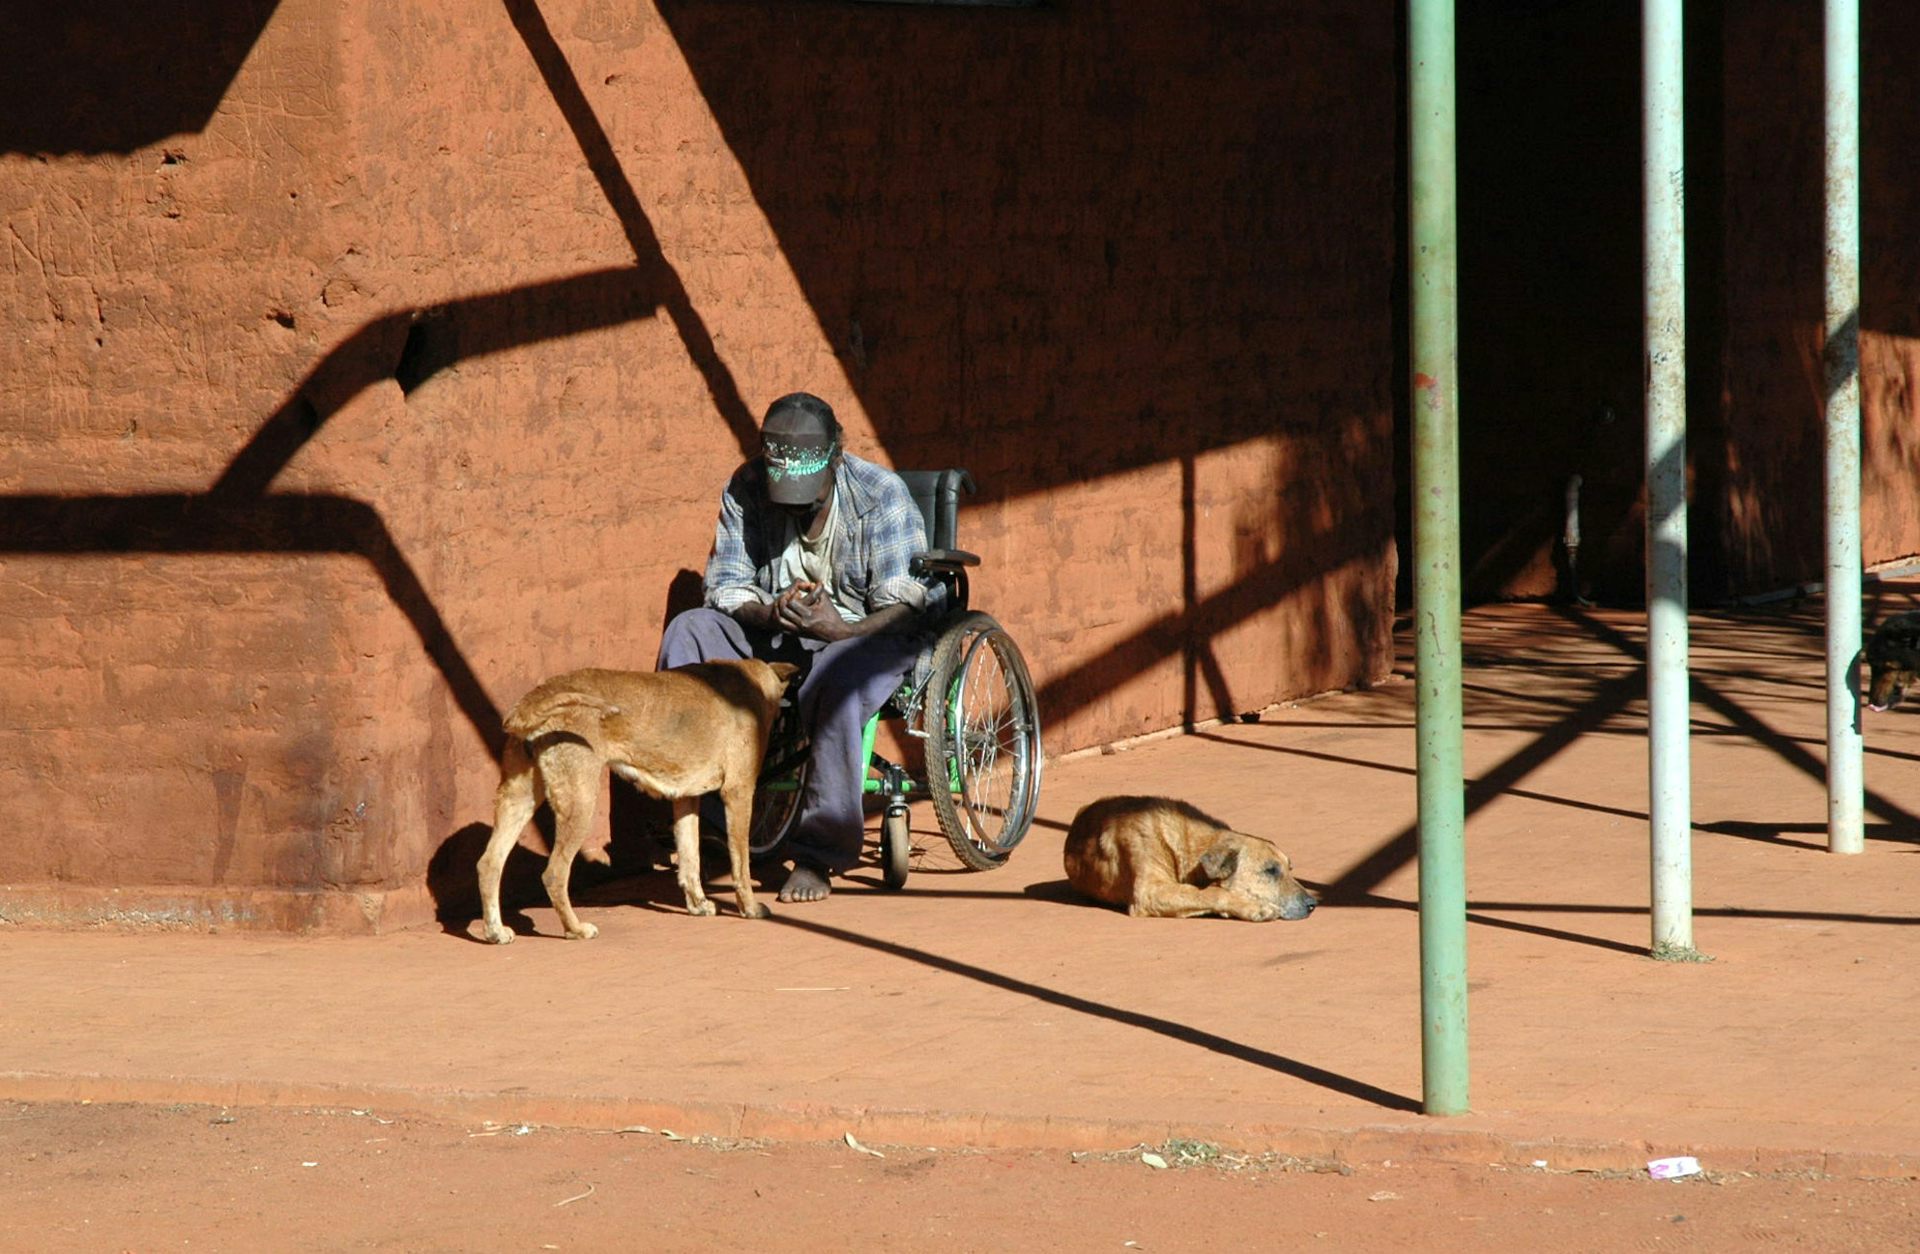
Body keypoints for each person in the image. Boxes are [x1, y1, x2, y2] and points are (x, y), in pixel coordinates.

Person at [656, 392, 943, 902]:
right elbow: (725, 584)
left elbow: (908, 601)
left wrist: (842, 630)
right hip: (776, 625)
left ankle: (819, 854)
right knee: (689, 632)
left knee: (836, 682)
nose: (800, 509)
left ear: (836, 457)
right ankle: (705, 812)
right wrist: (768, 612)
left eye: (810, 499)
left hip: (866, 632)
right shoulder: (746, 487)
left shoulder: (881, 495)